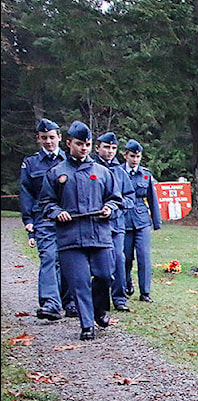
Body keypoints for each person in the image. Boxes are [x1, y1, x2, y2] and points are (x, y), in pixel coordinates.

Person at [37, 121, 122, 340]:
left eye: (87, 144)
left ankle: (99, 309)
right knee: (80, 281)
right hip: (70, 237)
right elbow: (46, 202)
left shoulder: (102, 172)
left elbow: (116, 200)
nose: (83, 148)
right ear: (68, 144)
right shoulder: (57, 173)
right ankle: (87, 325)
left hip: (99, 234)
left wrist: (108, 209)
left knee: (105, 276)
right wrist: (57, 212)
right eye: (79, 144)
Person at [19, 118, 69, 320]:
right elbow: (26, 192)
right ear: (38, 139)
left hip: (68, 218)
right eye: (44, 138)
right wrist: (28, 219)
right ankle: (50, 303)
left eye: (51, 137)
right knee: (49, 257)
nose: (48, 142)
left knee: (68, 260)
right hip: (43, 218)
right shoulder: (31, 163)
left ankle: (70, 300)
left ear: (59, 137)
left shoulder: (68, 161)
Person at [94, 132, 136, 312]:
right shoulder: (91, 168)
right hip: (95, 225)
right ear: (97, 148)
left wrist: (117, 207)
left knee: (119, 259)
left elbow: (129, 197)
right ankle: (97, 298)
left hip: (116, 225)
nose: (110, 151)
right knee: (100, 264)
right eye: (106, 147)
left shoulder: (120, 172)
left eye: (113, 148)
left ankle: (119, 298)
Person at [122, 139, 162, 303]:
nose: (135, 160)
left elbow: (152, 199)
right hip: (124, 220)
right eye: (132, 156)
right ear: (125, 155)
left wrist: (156, 221)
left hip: (142, 219)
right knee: (125, 256)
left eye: (138, 156)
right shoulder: (118, 173)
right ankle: (126, 283)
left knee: (144, 257)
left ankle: (145, 292)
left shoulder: (145, 174)